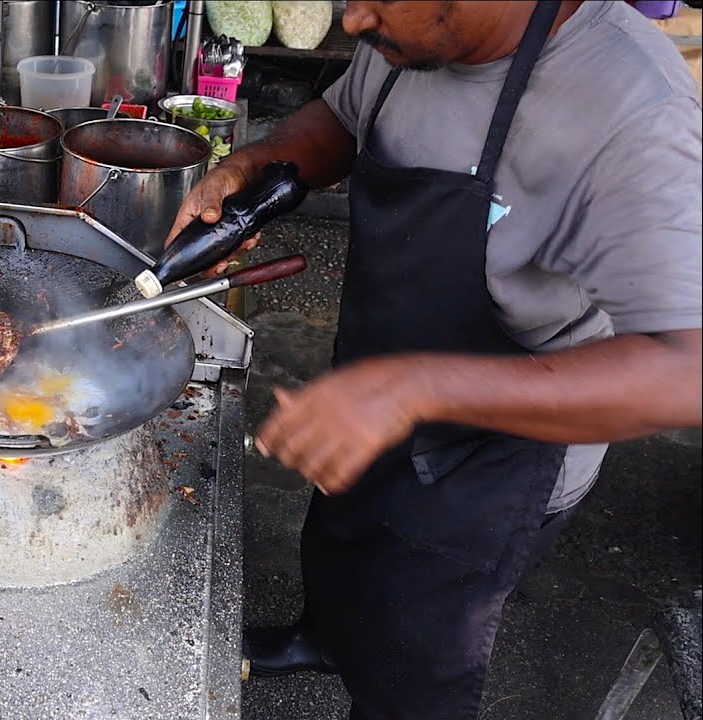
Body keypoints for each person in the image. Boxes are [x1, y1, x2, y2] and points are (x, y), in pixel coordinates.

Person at [165, 1, 703, 718]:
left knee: (414, 646)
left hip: (490, 469)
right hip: (377, 382)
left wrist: (415, 390)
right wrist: (254, 167)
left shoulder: (633, 112)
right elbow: (340, 118)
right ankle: (324, 638)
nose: (354, 20)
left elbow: (685, 370)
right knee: (344, 545)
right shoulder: (405, 31)